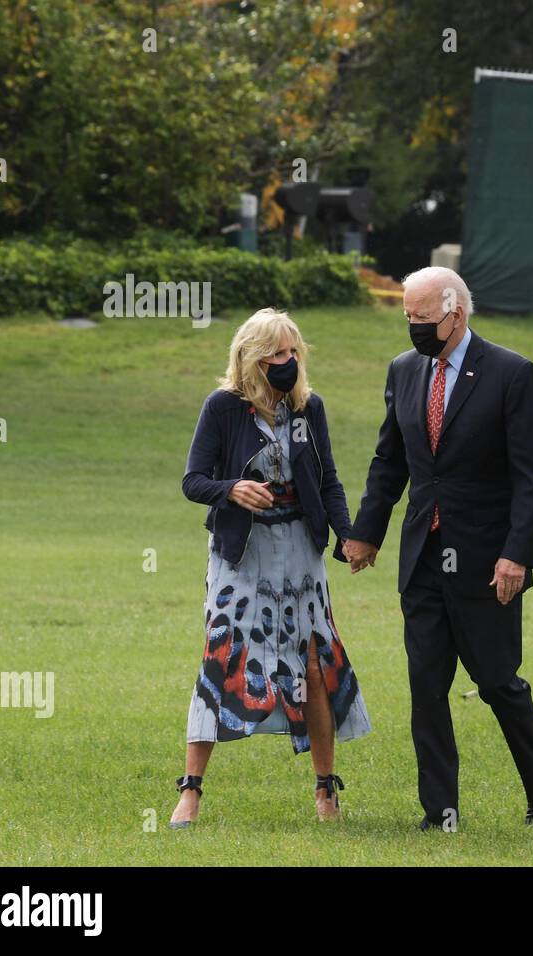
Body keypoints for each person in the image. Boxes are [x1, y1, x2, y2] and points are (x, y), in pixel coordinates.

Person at [341, 266, 533, 830]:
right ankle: (440, 809)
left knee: (496, 681)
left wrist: (517, 554)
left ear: (455, 314)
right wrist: (366, 532)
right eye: (407, 317)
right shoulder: (404, 370)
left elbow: (532, 477)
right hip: (422, 557)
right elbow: (390, 461)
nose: (412, 327)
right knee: (427, 684)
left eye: (421, 318)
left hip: (487, 561)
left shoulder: (513, 375)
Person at [172, 308, 371, 828]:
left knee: (313, 665)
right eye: (276, 355)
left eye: (292, 353)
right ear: (252, 360)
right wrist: (231, 489)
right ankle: (190, 790)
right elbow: (192, 481)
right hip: (241, 554)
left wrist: (348, 534)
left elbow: (328, 481)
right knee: (221, 656)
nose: (287, 362)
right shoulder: (223, 408)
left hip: (300, 553)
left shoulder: (309, 409)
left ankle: (326, 789)